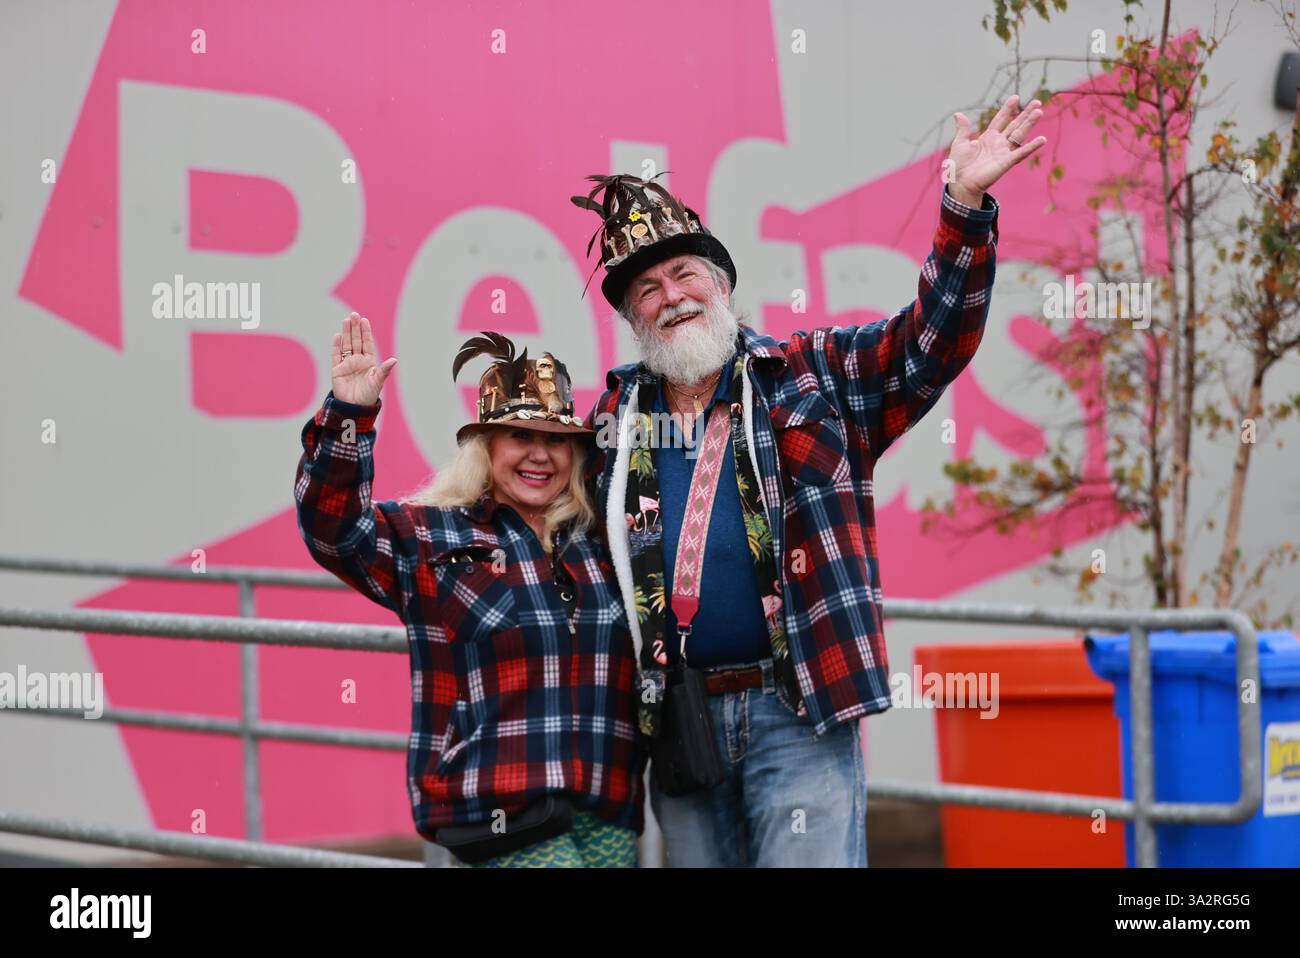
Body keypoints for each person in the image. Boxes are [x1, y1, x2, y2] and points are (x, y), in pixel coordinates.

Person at [572, 96, 1047, 866]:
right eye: (647, 290)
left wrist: (963, 206)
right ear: (633, 318)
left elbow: (931, 341)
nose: (671, 296)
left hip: (799, 711)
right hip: (680, 723)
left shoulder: (812, 377)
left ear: (722, 285)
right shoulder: (614, 426)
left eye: (685, 273)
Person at [295, 314, 644, 867]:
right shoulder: (432, 535)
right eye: (519, 436)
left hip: (606, 802)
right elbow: (333, 532)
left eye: (556, 440)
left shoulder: (601, 541)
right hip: (497, 803)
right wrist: (350, 416)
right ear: (484, 446)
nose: (540, 454)